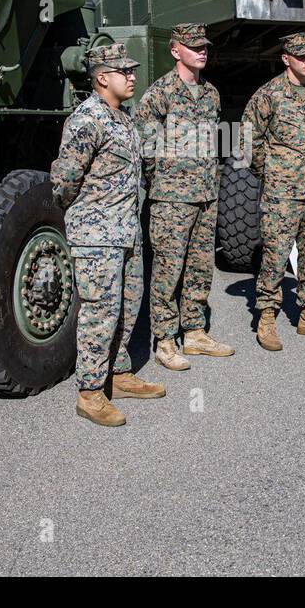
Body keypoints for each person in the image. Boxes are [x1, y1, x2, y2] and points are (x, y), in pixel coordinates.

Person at [51, 42, 165, 427]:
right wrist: (85, 218)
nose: (132, 77)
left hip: (126, 231)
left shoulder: (122, 118)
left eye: (132, 71)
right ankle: (90, 392)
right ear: (102, 78)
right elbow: (65, 180)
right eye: (124, 72)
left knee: (127, 307)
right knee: (99, 313)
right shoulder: (87, 120)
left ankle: (117, 374)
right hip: (97, 236)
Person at [134, 23, 235, 373]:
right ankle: (164, 340)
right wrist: (163, 184)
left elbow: (216, 144)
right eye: (194, 47)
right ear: (176, 51)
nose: (202, 51)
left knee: (200, 267)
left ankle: (194, 331)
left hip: (206, 195)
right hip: (171, 199)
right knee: (167, 270)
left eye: (204, 46)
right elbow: (145, 148)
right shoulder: (159, 94)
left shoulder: (212, 94)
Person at [242, 31, 305, 351]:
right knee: (275, 257)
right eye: (301, 57)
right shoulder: (268, 95)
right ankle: (267, 318)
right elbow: (246, 141)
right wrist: (270, 171)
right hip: (281, 194)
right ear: (286, 59)